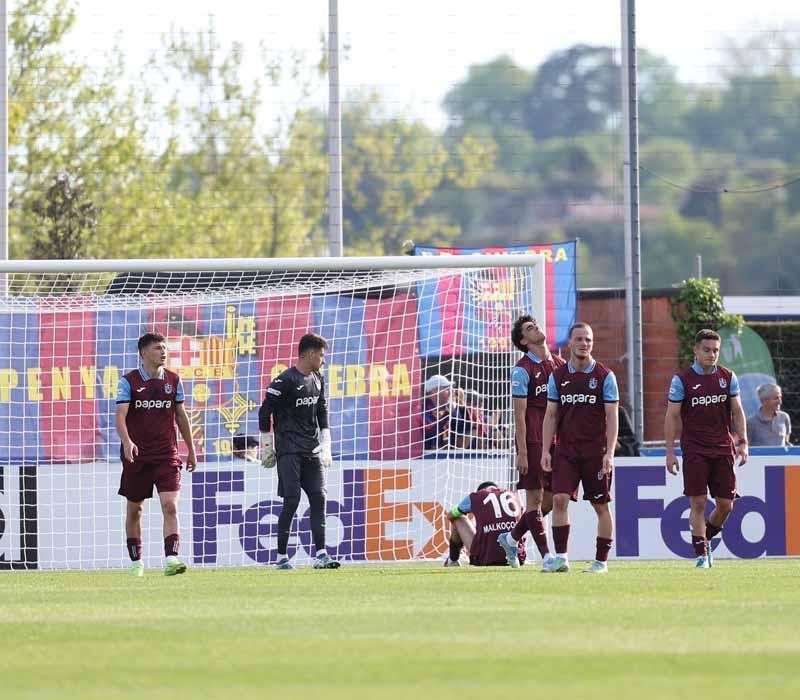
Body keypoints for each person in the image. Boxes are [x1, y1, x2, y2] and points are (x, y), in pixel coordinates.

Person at [664, 328, 749, 569]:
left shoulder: (727, 377)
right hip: (695, 449)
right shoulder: (682, 380)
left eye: (715, 351)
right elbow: (671, 416)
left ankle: (705, 538)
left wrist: (743, 442)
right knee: (698, 503)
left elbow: (738, 411)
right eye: (707, 350)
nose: (712, 355)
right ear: (695, 350)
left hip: (723, 448)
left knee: (726, 505)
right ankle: (701, 555)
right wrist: (670, 452)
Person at [116, 332, 197, 577]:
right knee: (135, 510)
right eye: (157, 348)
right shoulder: (128, 382)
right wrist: (127, 442)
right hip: (137, 455)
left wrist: (191, 450)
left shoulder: (173, 380)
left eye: (164, 348)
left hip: (166, 455)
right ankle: (136, 562)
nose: (163, 352)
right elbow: (120, 417)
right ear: (143, 353)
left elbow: (181, 416)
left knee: (170, 505)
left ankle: (171, 559)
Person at [541, 322, 619, 574]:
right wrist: (545, 450)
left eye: (588, 339)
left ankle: (601, 562)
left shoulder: (605, 376)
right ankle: (562, 558)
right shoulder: (558, 376)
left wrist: (609, 453)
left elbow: (612, 416)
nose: (584, 343)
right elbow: (551, 415)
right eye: (579, 339)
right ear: (570, 343)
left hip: (595, 453)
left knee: (601, 506)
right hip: (566, 451)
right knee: (559, 499)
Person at [258, 333, 340, 570]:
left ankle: (321, 555)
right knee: (292, 500)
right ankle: (282, 557)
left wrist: (326, 442)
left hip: (312, 450)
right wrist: (267, 447)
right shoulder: (283, 381)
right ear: (311, 354)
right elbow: (265, 413)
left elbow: (322, 411)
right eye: (322, 355)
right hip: (289, 451)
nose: (323, 360)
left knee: (319, 498)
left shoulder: (318, 378)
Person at [498, 314, 565, 571]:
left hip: (558, 442)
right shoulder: (522, 369)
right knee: (534, 501)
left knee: (551, 502)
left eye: (535, 324)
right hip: (535, 440)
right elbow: (519, 413)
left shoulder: (560, 365)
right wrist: (523, 452)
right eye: (530, 328)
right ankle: (548, 557)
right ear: (524, 340)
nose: (536, 328)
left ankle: (511, 538)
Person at [444, 481, 526, 568]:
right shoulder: (514, 495)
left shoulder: (475, 496)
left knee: (458, 518)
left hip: (485, 558)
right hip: (518, 558)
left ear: (480, 491)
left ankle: (453, 560)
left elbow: (450, 515)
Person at [422, 374, 466, 449]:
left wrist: (457, 408)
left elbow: (459, 426)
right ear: (434, 390)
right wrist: (448, 412)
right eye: (447, 388)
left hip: (447, 455)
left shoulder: (448, 407)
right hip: (426, 456)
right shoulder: (423, 409)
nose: (452, 391)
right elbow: (432, 431)